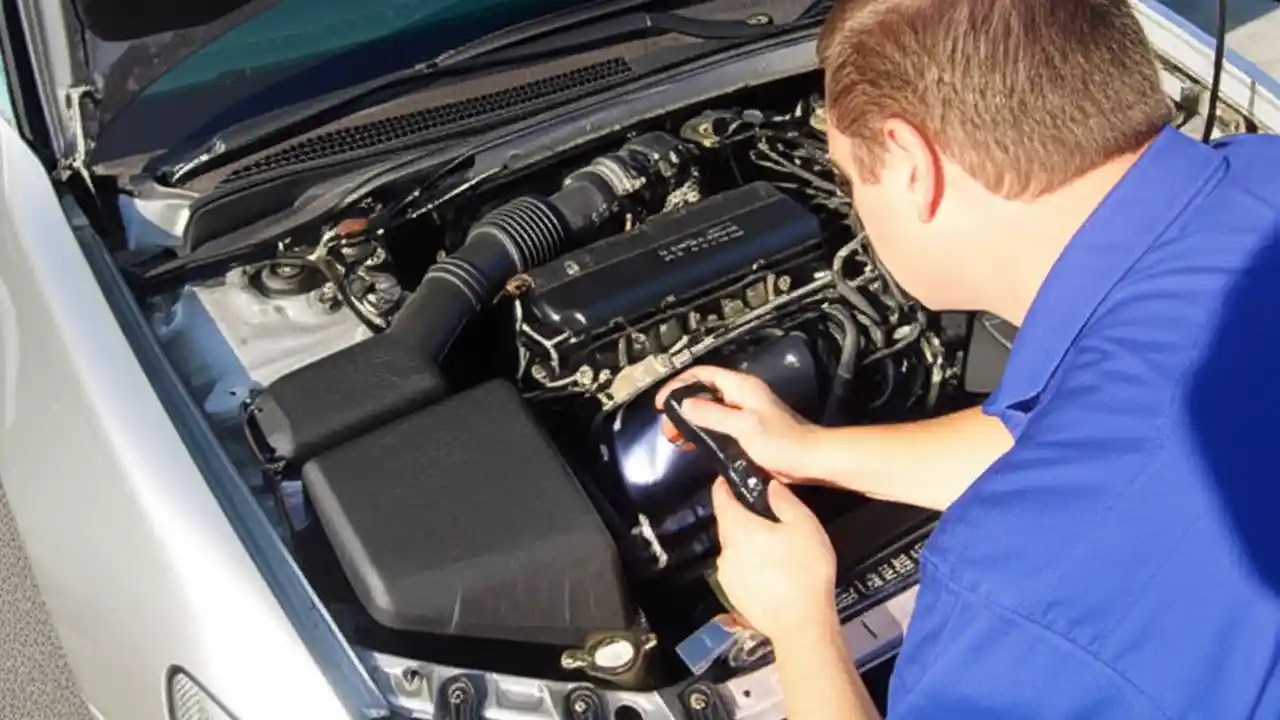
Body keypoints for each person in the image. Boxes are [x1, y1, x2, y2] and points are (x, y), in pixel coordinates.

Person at [656, 0, 1280, 717]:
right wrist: (816, 450)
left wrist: (799, 623)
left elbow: (1092, 492)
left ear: (914, 165)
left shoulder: (1021, 593)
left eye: (849, 176)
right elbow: (1090, 439)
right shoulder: (1262, 171)